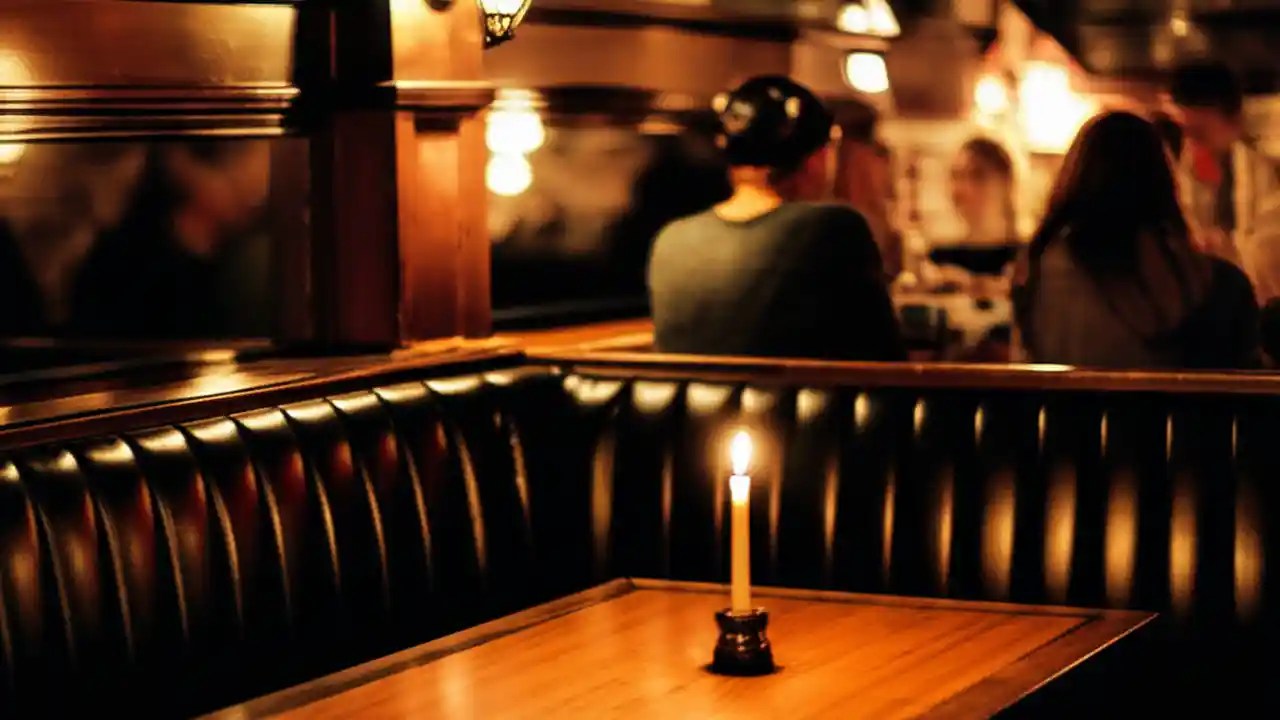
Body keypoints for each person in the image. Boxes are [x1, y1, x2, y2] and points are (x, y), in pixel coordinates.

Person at [647, 76, 903, 361]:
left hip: (684, 406)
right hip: (792, 406)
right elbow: (883, 358)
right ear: (819, 158)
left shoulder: (671, 239)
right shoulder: (833, 228)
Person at [1014, 111, 1259, 370]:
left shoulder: (1037, 271)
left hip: (1062, 410)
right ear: (1164, 181)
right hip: (1174, 409)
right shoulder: (1220, 286)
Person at [1170, 60, 1280, 301]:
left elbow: (1270, 253)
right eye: (1184, 131)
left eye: (1199, 132)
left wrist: (1227, 249)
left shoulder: (1265, 170)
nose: (1190, 143)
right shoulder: (1186, 168)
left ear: (1234, 122)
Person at [933, 137, 1020, 279]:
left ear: (1006, 182)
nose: (963, 188)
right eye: (956, 176)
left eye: (977, 176)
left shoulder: (1029, 258)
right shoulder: (940, 259)